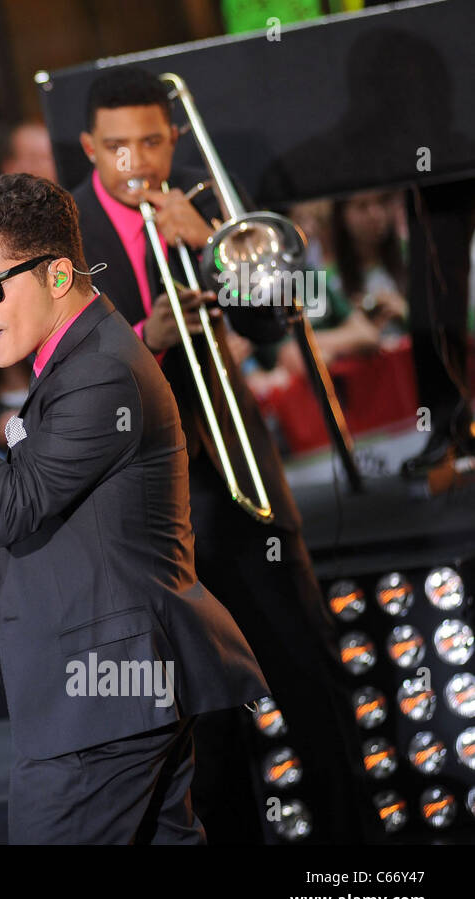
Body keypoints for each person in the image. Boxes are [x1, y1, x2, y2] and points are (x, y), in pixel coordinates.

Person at [0, 173, 267, 843]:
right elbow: (44, 539)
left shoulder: (102, 371)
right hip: (114, 697)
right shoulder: (75, 364)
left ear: (58, 275)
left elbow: (8, 511)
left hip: (99, 704)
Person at [68, 66, 371, 842]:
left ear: (172, 138)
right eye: (116, 148)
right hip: (143, 498)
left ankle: (354, 863)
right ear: (88, 148)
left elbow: (278, 322)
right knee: (203, 714)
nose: (136, 164)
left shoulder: (205, 204)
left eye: (149, 143)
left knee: (310, 675)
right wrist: (145, 340)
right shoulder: (61, 229)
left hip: (242, 482)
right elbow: (49, 371)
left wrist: (212, 247)